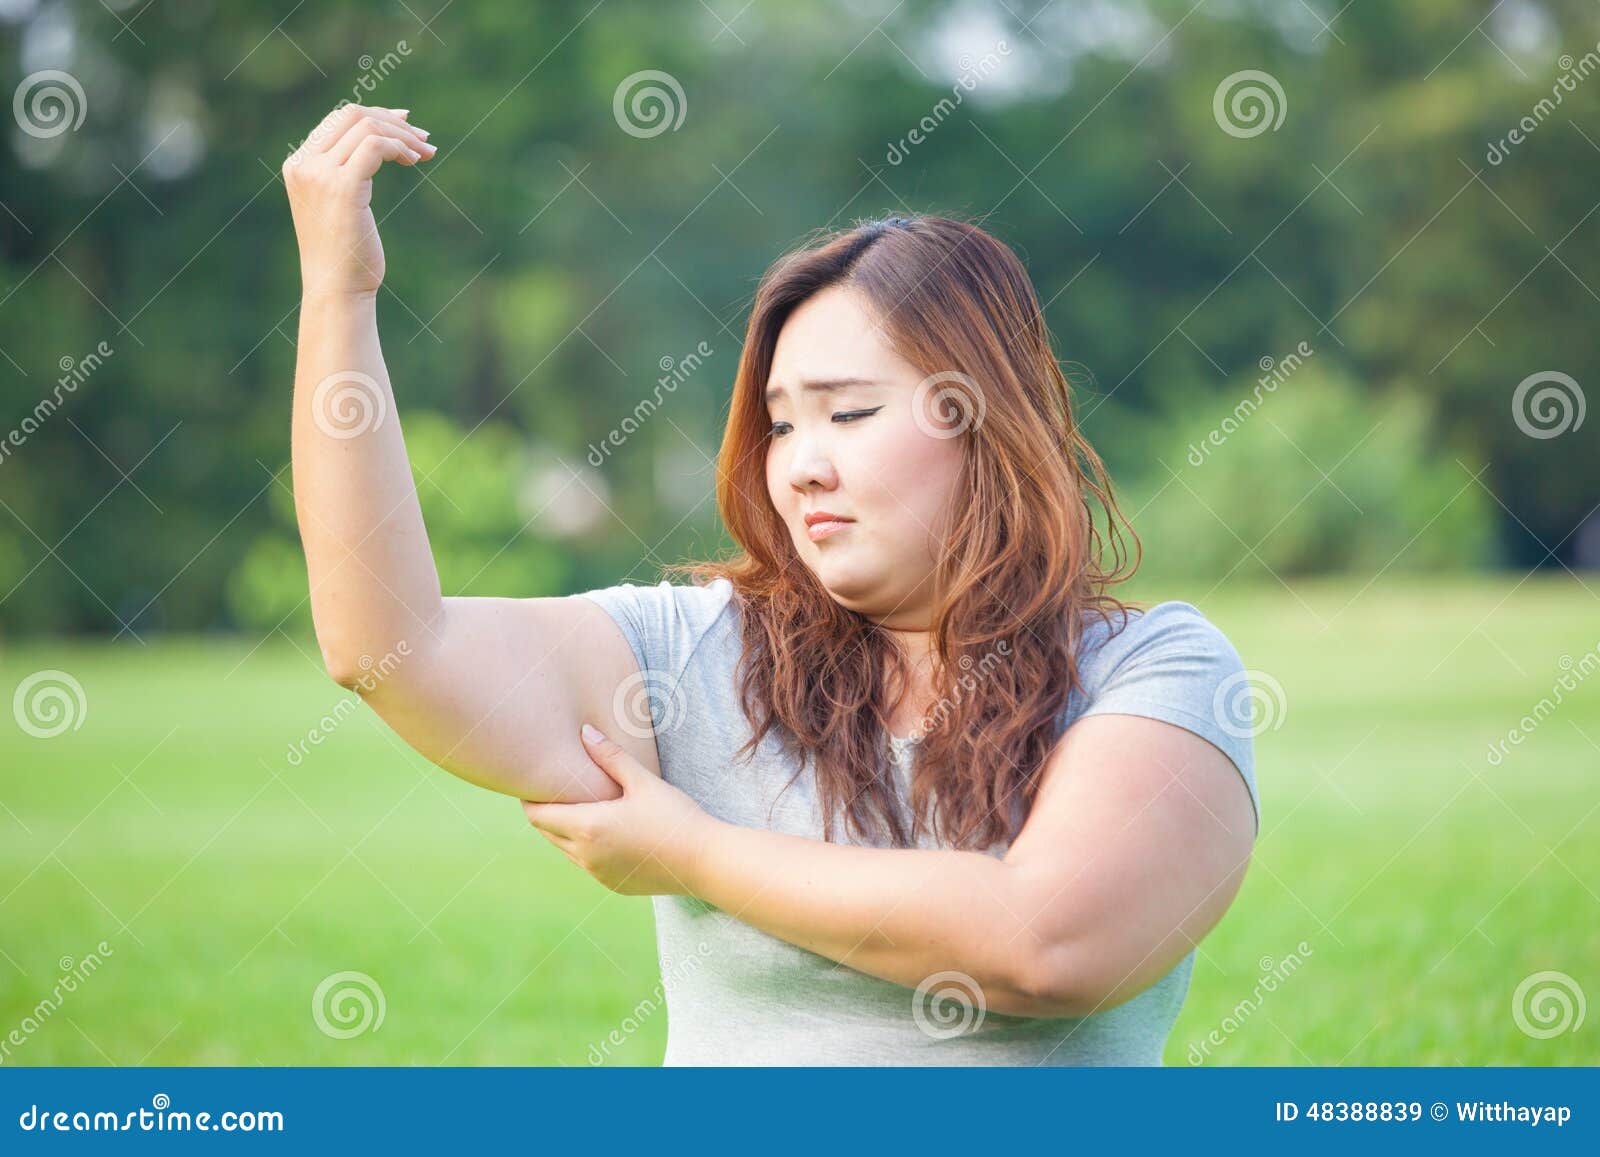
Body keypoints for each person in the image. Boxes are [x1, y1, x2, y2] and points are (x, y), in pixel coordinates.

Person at [282, 104, 1261, 1065]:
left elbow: (1051, 946)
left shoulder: (1152, 669)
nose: (798, 465)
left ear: (984, 417)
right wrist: (339, 292)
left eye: (848, 413)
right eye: (783, 423)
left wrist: (694, 852)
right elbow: (389, 645)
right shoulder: (690, 653)